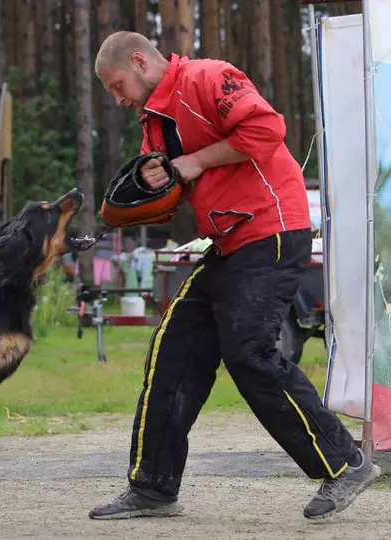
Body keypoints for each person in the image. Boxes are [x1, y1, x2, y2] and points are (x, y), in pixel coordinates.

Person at [89, 31, 381, 521]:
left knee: (249, 351)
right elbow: (173, 191)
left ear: (139, 61)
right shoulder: (154, 124)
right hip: (226, 243)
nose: (117, 98)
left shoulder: (208, 77)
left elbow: (267, 130)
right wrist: (148, 184)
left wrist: (193, 162)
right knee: (172, 351)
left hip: (270, 229)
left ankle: (346, 463)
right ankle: (153, 489)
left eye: (118, 85)